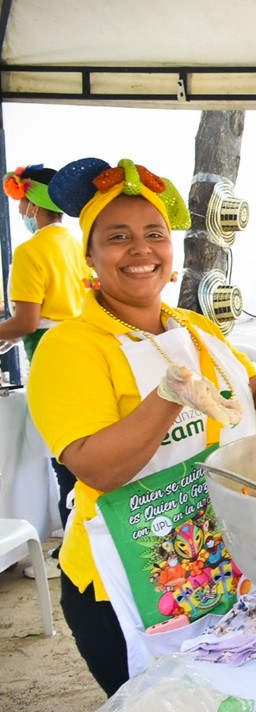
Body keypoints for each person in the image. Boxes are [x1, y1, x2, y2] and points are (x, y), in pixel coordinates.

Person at [27, 157, 256, 697]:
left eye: (154, 233)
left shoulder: (195, 327)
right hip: (124, 578)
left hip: (214, 558)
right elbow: (97, 468)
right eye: (118, 237)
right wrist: (170, 398)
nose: (141, 249)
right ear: (90, 255)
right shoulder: (70, 346)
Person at [0, 163, 90, 579]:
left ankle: (66, 551)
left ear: (30, 203)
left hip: (52, 359)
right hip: (84, 353)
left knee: (63, 455)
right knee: (79, 447)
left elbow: (23, 322)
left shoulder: (30, 252)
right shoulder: (76, 243)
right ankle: (74, 527)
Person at [0, 164, 89, 362]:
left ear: (34, 205)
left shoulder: (29, 251)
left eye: (21, 202)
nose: (19, 210)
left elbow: (26, 323)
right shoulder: (78, 247)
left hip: (49, 352)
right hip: (83, 347)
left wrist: (14, 329)